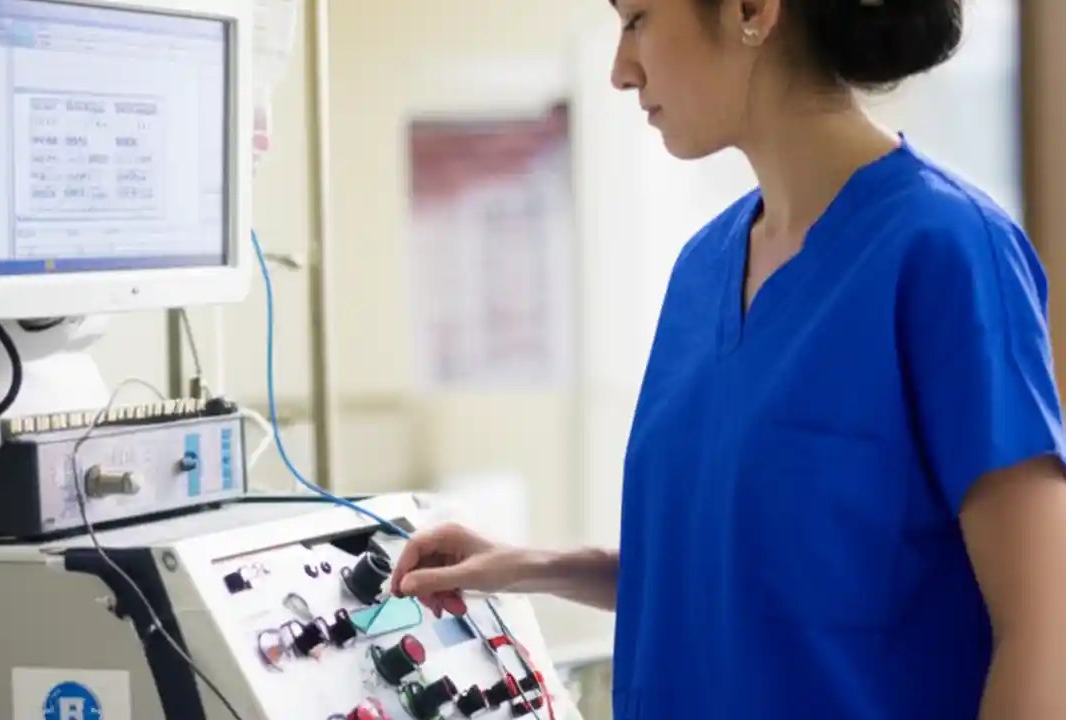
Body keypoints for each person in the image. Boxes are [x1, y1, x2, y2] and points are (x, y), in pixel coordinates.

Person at [389, 0, 1066, 718]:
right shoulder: (702, 269)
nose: (621, 70)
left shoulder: (946, 252)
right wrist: (526, 566)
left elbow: (1044, 628)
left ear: (751, 9)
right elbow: (736, 575)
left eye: (638, 18)